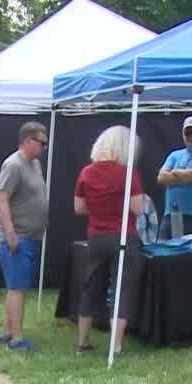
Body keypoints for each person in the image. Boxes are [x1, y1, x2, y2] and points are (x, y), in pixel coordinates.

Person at [74, 126, 145, 357]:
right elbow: (138, 208)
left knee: (91, 287)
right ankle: (116, 346)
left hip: (95, 236)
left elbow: (79, 208)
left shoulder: (86, 172)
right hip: (124, 236)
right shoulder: (128, 173)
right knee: (121, 290)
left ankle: (83, 341)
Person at [0, 121, 48, 352]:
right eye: (41, 143)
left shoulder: (34, 164)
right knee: (17, 287)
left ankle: (9, 331)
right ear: (27, 141)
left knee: (18, 286)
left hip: (32, 235)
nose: (44, 148)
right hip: (18, 236)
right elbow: (2, 199)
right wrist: (10, 233)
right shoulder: (13, 165)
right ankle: (17, 338)